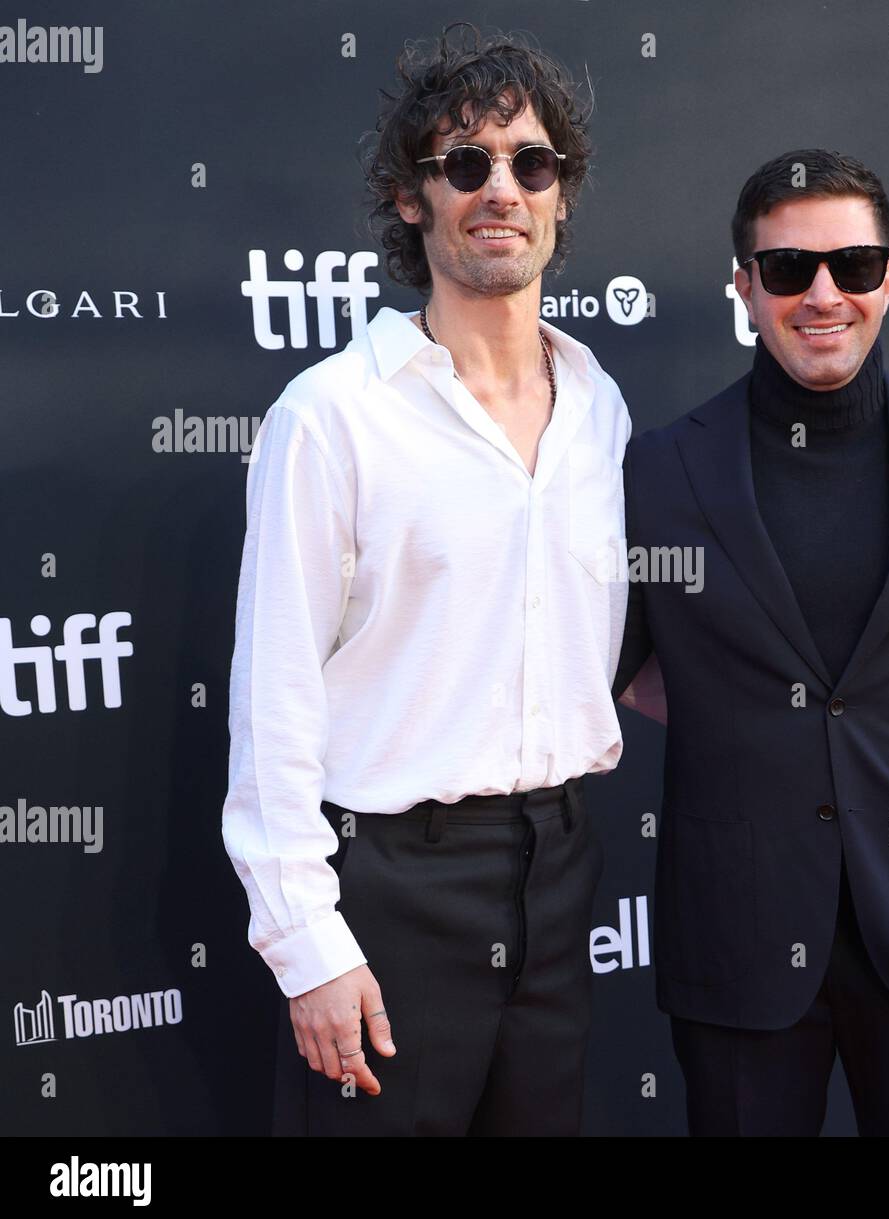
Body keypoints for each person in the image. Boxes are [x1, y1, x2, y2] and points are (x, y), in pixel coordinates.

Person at [221, 23, 631, 1136]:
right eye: (464, 163)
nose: (500, 187)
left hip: (557, 872)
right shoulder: (331, 415)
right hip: (393, 889)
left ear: (559, 196)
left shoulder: (600, 407)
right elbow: (273, 701)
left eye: (529, 163)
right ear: (414, 198)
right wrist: (309, 947)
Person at [612, 149, 889, 1136]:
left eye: (853, 266)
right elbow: (603, 667)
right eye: (787, 270)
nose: (823, 294)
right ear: (743, 286)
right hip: (735, 952)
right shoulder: (656, 470)